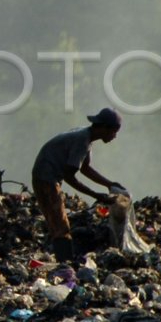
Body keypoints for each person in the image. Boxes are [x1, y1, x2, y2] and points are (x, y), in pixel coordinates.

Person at [31, 107, 124, 263]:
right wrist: (96, 195)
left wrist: (109, 184)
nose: (114, 136)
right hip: (46, 178)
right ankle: (65, 265)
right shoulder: (82, 140)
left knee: (57, 222)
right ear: (104, 128)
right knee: (61, 225)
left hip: (48, 176)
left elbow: (85, 168)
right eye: (114, 132)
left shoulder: (86, 137)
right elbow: (70, 176)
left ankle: (63, 261)